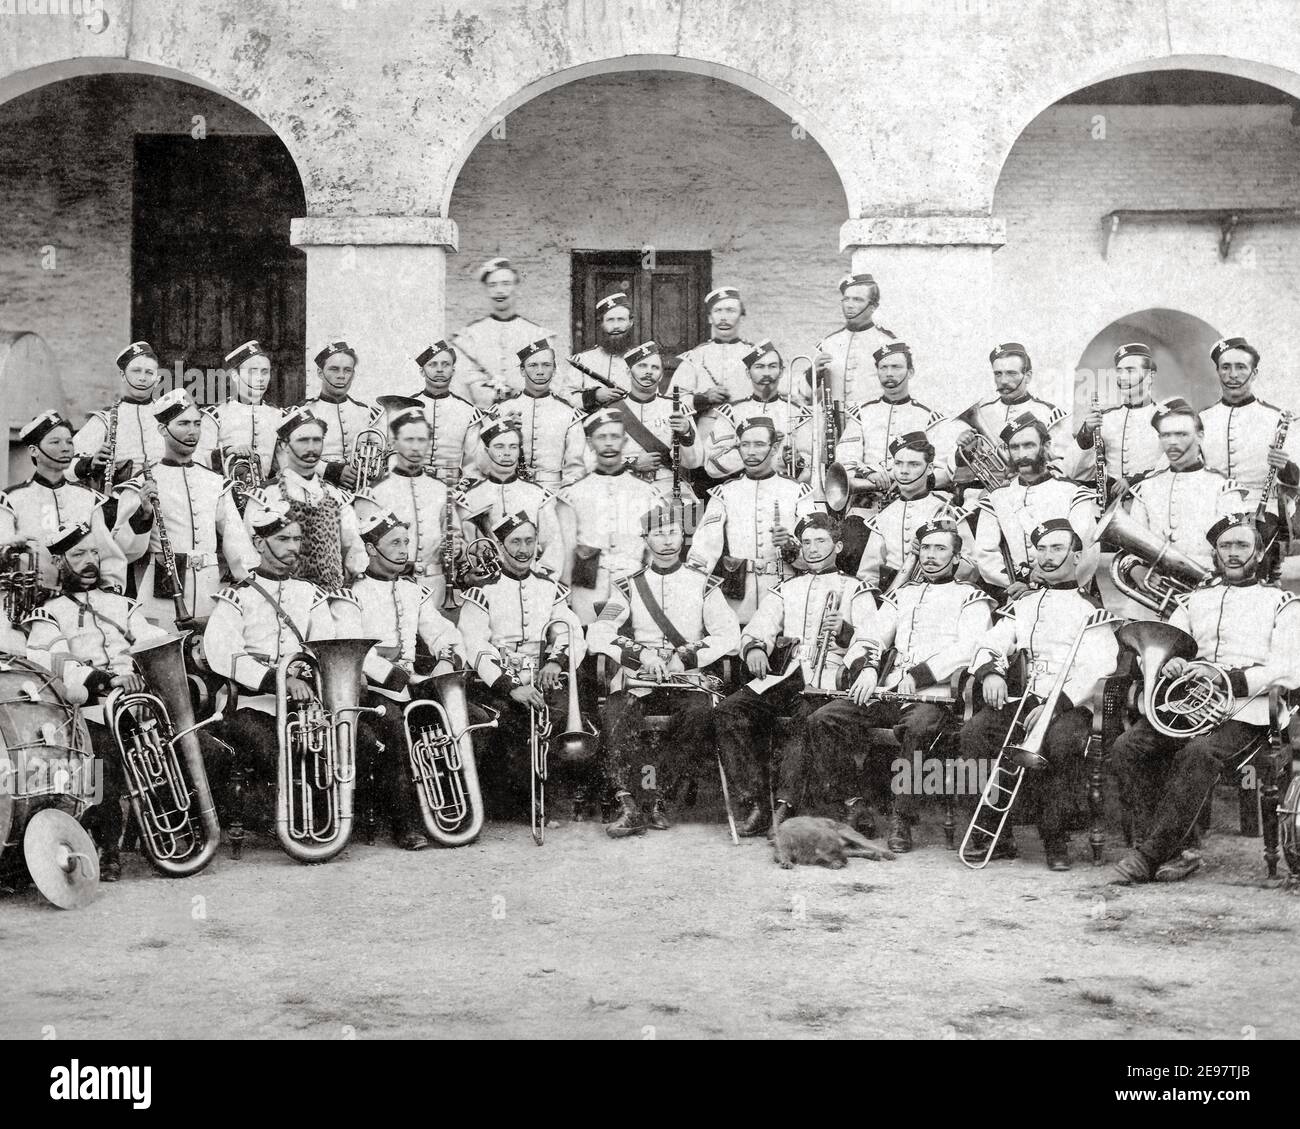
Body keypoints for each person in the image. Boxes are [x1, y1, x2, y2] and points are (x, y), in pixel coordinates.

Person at [1109, 512, 1300, 885]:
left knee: (1198, 753)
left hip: (1248, 712)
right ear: (1215, 553)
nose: (1232, 553)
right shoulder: (1195, 600)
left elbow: (1290, 668)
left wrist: (1224, 676)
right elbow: (1169, 644)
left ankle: (1149, 855)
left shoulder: (1282, 603)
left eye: (1242, 545)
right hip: (1190, 707)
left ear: (1259, 553)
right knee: (1126, 747)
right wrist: (1174, 663)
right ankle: (1179, 849)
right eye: (1225, 546)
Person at [960, 520, 1119, 870]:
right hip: (1028, 699)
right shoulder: (1024, 604)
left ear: (1076, 556)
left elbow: (1100, 667)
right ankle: (991, 835)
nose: (1048, 558)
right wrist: (991, 674)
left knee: (1060, 742)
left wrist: (1055, 705)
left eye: (1057, 549)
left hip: (1070, 705)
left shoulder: (1091, 610)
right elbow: (990, 643)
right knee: (974, 733)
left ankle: (1055, 839)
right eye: (1042, 549)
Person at [713, 513, 879, 837]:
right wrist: (756, 648)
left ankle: (785, 806)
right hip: (788, 675)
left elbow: (871, 640)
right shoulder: (788, 587)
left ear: (839, 546)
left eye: (821, 542)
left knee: (805, 719)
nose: (813, 549)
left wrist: (844, 631)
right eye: (807, 543)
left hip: (829, 677)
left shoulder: (855, 588)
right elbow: (759, 626)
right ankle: (755, 802)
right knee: (728, 712)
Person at [25, 520, 171, 881]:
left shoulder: (123, 605)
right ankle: (108, 848)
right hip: (87, 710)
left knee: (184, 744)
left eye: (94, 552)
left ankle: (175, 831)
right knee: (104, 758)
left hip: (137, 706)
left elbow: (153, 643)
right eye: (78, 554)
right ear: (59, 563)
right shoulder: (47, 614)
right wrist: (107, 680)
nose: (90, 561)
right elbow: (55, 661)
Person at [587, 501, 741, 837]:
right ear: (646, 538)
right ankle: (628, 803)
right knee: (616, 711)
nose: (667, 541)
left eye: (672, 533)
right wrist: (642, 656)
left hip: (685, 680)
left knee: (699, 713)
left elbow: (729, 634)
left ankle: (660, 798)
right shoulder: (628, 585)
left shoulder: (704, 584)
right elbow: (599, 632)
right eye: (658, 534)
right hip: (642, 679)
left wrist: (684, 657)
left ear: (683, 536)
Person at [201, 493, 353, 834]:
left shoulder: (310, 594)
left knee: (332, 741)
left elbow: (324, 647)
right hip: (250, 702)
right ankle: (277, 818)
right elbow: (222, 651)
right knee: (270, 745)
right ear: (259, 542)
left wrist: (306, 676)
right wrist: (277, 680)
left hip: (303, 701)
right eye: (282, 539)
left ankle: (320, 819)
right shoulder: (237, 595)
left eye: (297, 539)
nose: (292, 547)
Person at [845, 519, 993, 851]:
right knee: (827, 718)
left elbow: (969, 649)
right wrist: (867, 670)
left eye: (941, 549)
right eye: (926, 548)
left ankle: (902, 818)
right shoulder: (904, 594)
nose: (931, 555)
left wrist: (919, 675)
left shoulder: (970, 597)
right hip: (889, 688)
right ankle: (853, 808)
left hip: (936, 694)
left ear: (956, 558)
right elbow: (869, 633)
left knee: (918, 728)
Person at [456, 512, 589, 821]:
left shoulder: (549, 586)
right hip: (499, 683)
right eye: (515, 541)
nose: (524, 549)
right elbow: (475, 646)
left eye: (529, 541)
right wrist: (511, 687)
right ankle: (520, 800)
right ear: (500, 546)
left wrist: (556, 662)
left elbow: (571, 632)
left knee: (559, 716)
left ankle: (555, 795)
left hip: (544, 676)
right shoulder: (482, 590)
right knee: (510, 725)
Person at [351, 509, 469, 851]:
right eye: (394, 543)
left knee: (466, 722)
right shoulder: (353, 594)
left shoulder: (412, 591)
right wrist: (400, 678)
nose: (404, 550)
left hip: (412, 684)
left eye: (406, 541)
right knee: (397, 732)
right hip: (373, 689)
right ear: (372, 549)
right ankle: (406, 824)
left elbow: (442, 631)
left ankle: (451, 811)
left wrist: (446, 657)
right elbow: (357, 652)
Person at [110, 389, 257, 629]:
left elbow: (236, 541)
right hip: (161, 592)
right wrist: (143, 515)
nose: (192, 432)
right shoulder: (141, 482)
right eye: (183, 424)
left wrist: (251, 583)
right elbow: (122, 551)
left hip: (209, 588)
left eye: (197, 424)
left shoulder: (214, 481)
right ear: (162, 429)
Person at [687, 417, 819, 623]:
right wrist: (692, 592)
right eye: (744, 445)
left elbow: (817, 553)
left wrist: (790, 547)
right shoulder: (724, 493)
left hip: (784, 593)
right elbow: (704, 549)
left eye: (759, 444)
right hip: (738, 599)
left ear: (774, 448)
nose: (750, 452)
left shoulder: (797, 491)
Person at [0, 411, 143, 597]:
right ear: (34, 450)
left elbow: (109, 556)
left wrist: (110, 596)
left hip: (82, 606)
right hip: (30, 603)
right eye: (55, 442)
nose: (65, 448)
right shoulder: (12, 499)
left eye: (69, 441)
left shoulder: (88, 498)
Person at [554, 409, 665, 623]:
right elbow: (565, 551)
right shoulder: (573, 495)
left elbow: (656, 550)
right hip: (586, 587)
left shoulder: (647, 493)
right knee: (588, 645)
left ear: (624, 441)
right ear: (589, 443)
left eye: (614, 436)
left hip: (634, 585)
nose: (608, 444)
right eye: (601, 437)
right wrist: (566, 597)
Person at [971, 413, 1098, 598]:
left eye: (1029, 445)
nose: (1021, 455)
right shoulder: (996, 499)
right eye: (1014, 447)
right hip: (1016, 594)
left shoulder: (1072, 493)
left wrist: (1050, 581)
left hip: (1067, 593)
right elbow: (985, 554)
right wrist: (1016, 584)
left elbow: (1087, 549)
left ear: (1045, 446)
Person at [1127, 398, 1248, 569]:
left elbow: (1235, 550)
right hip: (1153, 588)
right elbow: (1131, 547)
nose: (1172, 441)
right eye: (1166, 435)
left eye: (1181, 434)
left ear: (1200, 436)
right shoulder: (1146, 488)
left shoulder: (1223, 488)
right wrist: (1135, 569)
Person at [355, 407, 452, 606]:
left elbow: (454, 539)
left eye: (421, 440)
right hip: (391, 589)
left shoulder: (441, 490)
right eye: (409, 440)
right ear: (394, 443)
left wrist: (456, 549)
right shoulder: (376, 492)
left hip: (436, 586)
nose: (415, 448)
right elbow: (363, 550)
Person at [589, 341, 703, 509]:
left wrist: (686, 433)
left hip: (669, 488)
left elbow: (694, 462)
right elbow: (589, 460)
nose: (649, 372)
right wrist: (631, 462)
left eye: (655, 368)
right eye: (642, 366)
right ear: (629, 371)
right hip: (622, 486)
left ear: (662, 375)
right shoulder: (608, 411)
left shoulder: (677, 409)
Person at [266, 406, 368, 592]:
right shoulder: (268, 495)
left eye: (317, 440)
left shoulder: (336, 497)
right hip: (284, 599)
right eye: (303, 441)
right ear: (284, 445)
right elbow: (250, 556)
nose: (311, 448)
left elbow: (354, 548)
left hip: (331, 599)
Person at [454, 418, 565, 580]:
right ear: (486, 451)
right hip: (487, 586)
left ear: (519, 451)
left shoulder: (539, 495)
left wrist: (541, 581)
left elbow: (554, 545)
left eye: (513, 447)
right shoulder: (468, 498)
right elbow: (464, 549)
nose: (507, 453)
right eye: (499, 447)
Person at [948, 342, 1075, 483]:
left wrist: (1028, 474)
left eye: (1011, 373)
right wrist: (965, 451)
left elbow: (1065, 465)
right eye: (998, 374)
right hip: (982, 495)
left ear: (1027, 376)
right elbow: (958, 477)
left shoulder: (1049, 414)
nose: (1003, 381)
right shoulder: (982, 413)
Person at [833, 342, 944, 498]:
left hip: (913, 501)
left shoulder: (928, 417)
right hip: (866, 502)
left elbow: (941, 470)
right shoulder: (862, 413)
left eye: (896, 367)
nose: (889, 373)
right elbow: (845, 460)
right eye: (883, 368)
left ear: (910, 372)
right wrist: (868, 473)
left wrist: (907, 482)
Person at [856, 433, 964, 590]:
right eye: (899, 464)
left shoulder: (945, 511)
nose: (904, 471)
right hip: (892, 599)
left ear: (929, 469)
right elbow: (868, 573)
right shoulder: (884, 516)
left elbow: (970, 566)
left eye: (914, 464)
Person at [451, 257, 555, 408]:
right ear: (486, 290)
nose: (499, 290)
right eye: (492, 285)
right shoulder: (469, 336)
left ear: (517, 288)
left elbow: (549, 380)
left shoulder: (537, 335)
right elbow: (462, 382)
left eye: (506, 284)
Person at [704, 341, 813, 483]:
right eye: (759, 367)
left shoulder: (799, 413)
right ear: (748, 373)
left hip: (785, 493)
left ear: (781, 371)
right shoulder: (732, 413)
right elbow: (712, 465)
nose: (766, 373)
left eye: (772, 366)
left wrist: (796, 463)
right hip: (742, 493)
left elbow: (811, 468)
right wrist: (758, 446)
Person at [488, 338, 586, 489]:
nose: (540, 372)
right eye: (533, 365)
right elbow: (484, 462)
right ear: (522, 370)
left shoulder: (569, 414)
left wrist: (563, 497)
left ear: (554, 370)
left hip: (553, 491)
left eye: (546, 365)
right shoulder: (501, 410)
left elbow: (576, 468)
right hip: (510, 489)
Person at [71, 341, 167, 488]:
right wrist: (89, 463)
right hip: (120, 502)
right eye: (136, 371)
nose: (142, 378)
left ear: (157, 380)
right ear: (123, 375)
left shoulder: (168, 416)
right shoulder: (104, 420)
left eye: (149, 372)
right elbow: (66, 465)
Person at [1072, 342, 1163, 491]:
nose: (1123, 377)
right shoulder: (1106, 418)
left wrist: (1134, 481)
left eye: (1130, 370)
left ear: (1150, 376)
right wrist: (1086, 432)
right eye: (1119, 371)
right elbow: (1076, 473)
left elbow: (1173, 465)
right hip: (1112, 504)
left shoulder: (1167, 417)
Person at [298, 340, 384, 491]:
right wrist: (330, 471)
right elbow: (289, 455)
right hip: (314, 489)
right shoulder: (302, 412)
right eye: (334, 369)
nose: (341, 376)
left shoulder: (367, 413)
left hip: (357, 491)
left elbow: (380, 457)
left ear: (353, 374)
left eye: (347, 370)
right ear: (320, 373)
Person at [398, 340, 483, 485]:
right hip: (410, 486)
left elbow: (473, 465)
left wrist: (462, 490)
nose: (439, 370)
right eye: (432, 364)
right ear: (422, 371)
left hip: (451, 488)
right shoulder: (404, 407)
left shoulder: (468, 412)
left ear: (453, 371)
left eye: (445, 364)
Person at [809, 273, 899, 408]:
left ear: (873, 306)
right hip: (834, 425)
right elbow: (807, 398)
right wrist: (812, 375)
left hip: (871, 424)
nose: (849, 305)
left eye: (857, 300)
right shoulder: (828, 343)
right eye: (846, 299)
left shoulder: (888, 343)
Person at [206, 340, 284, 482]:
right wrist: (228, 451)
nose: (260, 378)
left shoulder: (279, 416)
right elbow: (200, 459)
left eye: (265, 372)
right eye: (253, 372)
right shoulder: (215, 415)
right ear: (235, 376)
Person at [567, 292, 636, 407]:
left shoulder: (642, 360)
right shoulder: (582, 360)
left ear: (630, 323)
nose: (616, 326)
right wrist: (594, 396)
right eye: (610, 320)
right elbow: (566, 396)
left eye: (621, 320)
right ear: (601, 324)